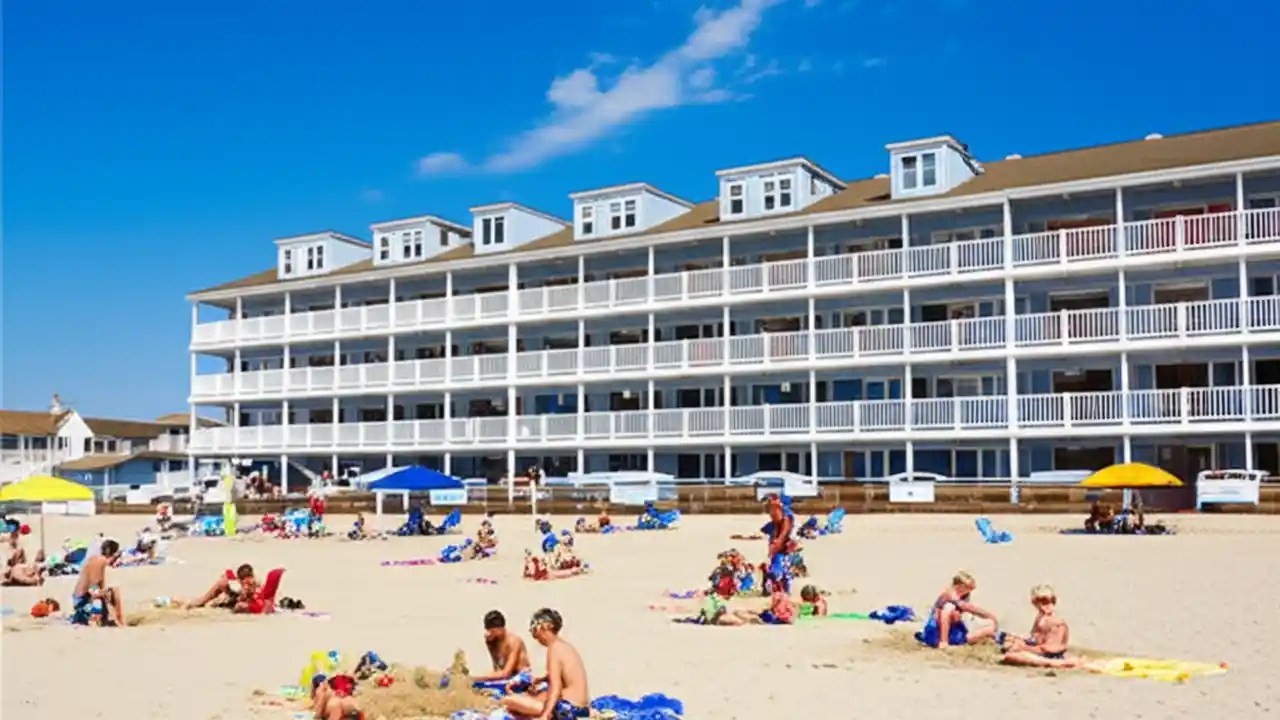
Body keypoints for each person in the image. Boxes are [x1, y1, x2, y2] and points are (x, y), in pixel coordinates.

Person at [502, 608, 590, 720]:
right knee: (531, 697)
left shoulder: (554, 649)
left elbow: (556, 687)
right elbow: (566, 676)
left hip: (569, 707)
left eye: (534, 629)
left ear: (545, 626)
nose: (534, 635)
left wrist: (545, 714)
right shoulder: (564, 646)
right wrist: (542, 679)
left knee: (509, 701)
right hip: (580, 705)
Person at [1001, 585, 1081, 669]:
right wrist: (1017, 639)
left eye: (1051, 601)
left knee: (1011, 657)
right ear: (1034, 603)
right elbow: (1036, 639)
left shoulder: (1056, 623)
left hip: (1052, 656)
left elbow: (1051, 649)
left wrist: (1023, 647)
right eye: (1043, 601)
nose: (1048, 605)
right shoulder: (1040, 618)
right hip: (1040, 654)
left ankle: (1058, 664)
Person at [916, 571, 1000, 648]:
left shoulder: (961, 597)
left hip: (954, 631)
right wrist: (990, 615)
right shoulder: (949, 594)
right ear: (961, 586)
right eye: (968, 588)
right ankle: (943, 641)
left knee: (990, 627)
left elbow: (969, 609)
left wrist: (991, 619)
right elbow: (968, 607)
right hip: (936, 631)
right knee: (948, 609)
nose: (969, 592)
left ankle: (992, 637)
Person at [71, 539, 125, 626]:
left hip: (78, 601)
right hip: (83, 603)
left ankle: (112, 619)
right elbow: (93, 589)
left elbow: (99, 587)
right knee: (114, 591)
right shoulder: (101, 561)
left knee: (108, 592)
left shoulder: (94, 559)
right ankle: (120, 620)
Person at [472, 610, 533, 683]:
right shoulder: (493, 640)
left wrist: (475, 678)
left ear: (501, 628)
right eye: (489, 631)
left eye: (493, 631)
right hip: (506, 677)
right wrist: (490, 644)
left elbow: (506, 673)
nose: (490, 634)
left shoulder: (514, 641)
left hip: (522, 676)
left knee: (483, 678)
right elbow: (497, 667)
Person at [185, 563, 256, 609]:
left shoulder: (256, 584)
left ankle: (201, 602)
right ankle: (200, 602)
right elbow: (227, 574)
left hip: (236, 596)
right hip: (232, 595)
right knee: (201, 602)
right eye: (244, 580)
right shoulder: (235, 585)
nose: (247, 582)